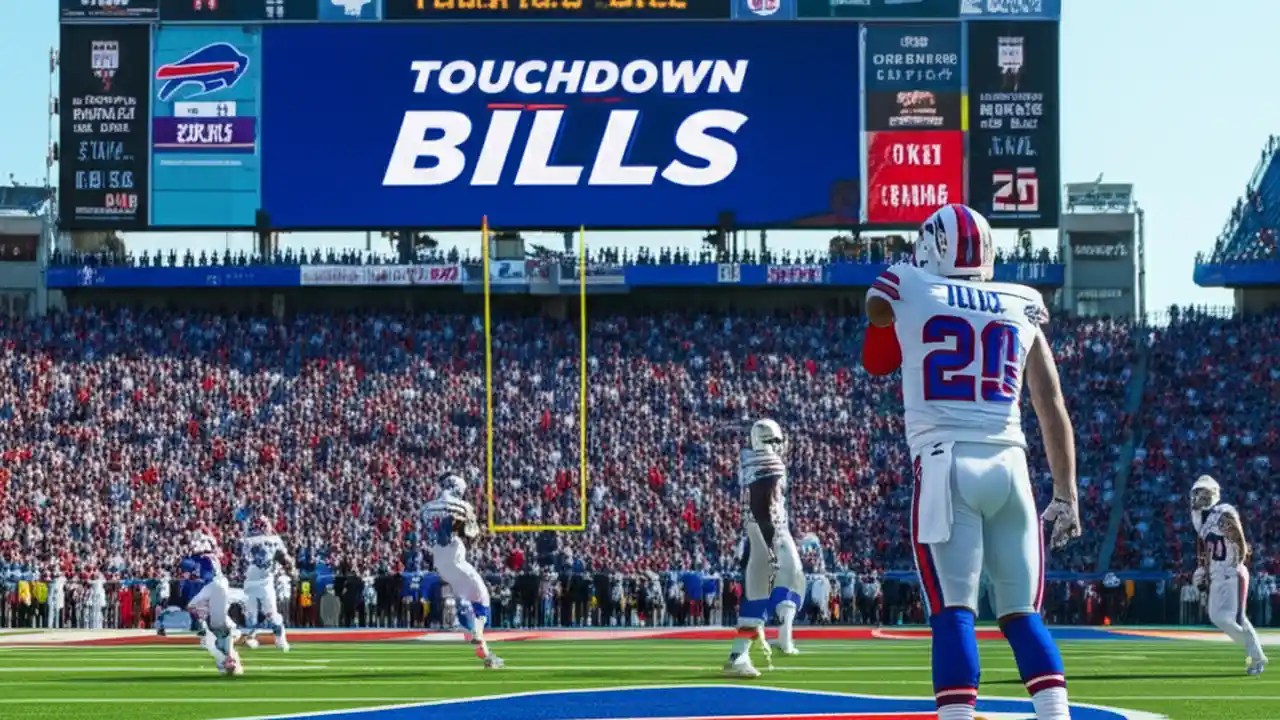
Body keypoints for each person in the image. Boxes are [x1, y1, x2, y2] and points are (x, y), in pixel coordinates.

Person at [862, 203, 1081, 720]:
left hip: (947, 465)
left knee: (954, 613)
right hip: (1011, 467)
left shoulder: (907, 282)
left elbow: (876, 348)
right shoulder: (1023, 300)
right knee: (1023, 615)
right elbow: (1051, 403)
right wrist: (1067, 493)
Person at [723, 419, 804, 678]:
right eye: (775, 440)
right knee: (758, 593)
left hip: (772, 531)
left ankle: (783, 632)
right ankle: (738, 655)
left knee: (793, 577)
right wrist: (769, 542)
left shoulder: (755, 461)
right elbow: (763, 504)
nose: (780, 445)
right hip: (766, 532)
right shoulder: (766, 462)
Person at [420, 473, 504, 669]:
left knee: (468, 601)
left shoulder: (426, 508)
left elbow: (431, 533)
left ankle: (485, 653)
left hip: (439, 562)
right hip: (455, 558)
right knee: (483, 598)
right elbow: (471, 535)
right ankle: (477, 633)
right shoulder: (463, 506)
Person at [1190, 475, 1267, 675]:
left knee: (1237, 619)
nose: (1198, 497)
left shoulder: (1223, 512)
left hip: (1231, 573)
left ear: (1212, 494)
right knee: (1217, 617)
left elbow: (1239, 538)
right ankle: (1254, 651)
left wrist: (1236, 563)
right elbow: (1203, 546)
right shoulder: (1202, 519)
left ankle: (1256, 656)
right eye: (1197, 493)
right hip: (1217, 574)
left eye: (1202, 492)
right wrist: (1204, 569)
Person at [184, 532, 244, 676]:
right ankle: (231, 659)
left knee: (211, 633)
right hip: (220, 585)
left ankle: (228, 657)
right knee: (218, 630)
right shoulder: (212, 557)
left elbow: (193, 573)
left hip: (213, 586)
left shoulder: (200, 559)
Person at [240, 516, 293, 652]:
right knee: (251, 616)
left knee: (271, 614)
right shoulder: (252, 540)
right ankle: (252, 637)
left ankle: (280, 637)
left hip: (265, 581)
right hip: (250, 581)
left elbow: (284, 558)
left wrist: (289, 564)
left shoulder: (272, 540)